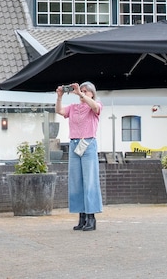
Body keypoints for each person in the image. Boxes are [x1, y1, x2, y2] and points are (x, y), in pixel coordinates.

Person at [56, 81, 103, 231]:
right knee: (76, 181)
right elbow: (59, 111)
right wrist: (59, 97)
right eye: (80, 90)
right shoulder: (73, 108)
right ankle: (81, 217)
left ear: (91, 93)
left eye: (85, 91)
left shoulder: (95, 105)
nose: (81, 93)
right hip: (75, 144)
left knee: (90, 180)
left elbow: (95, 107)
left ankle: (91, 217)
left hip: (88, 143)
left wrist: (80, 94)